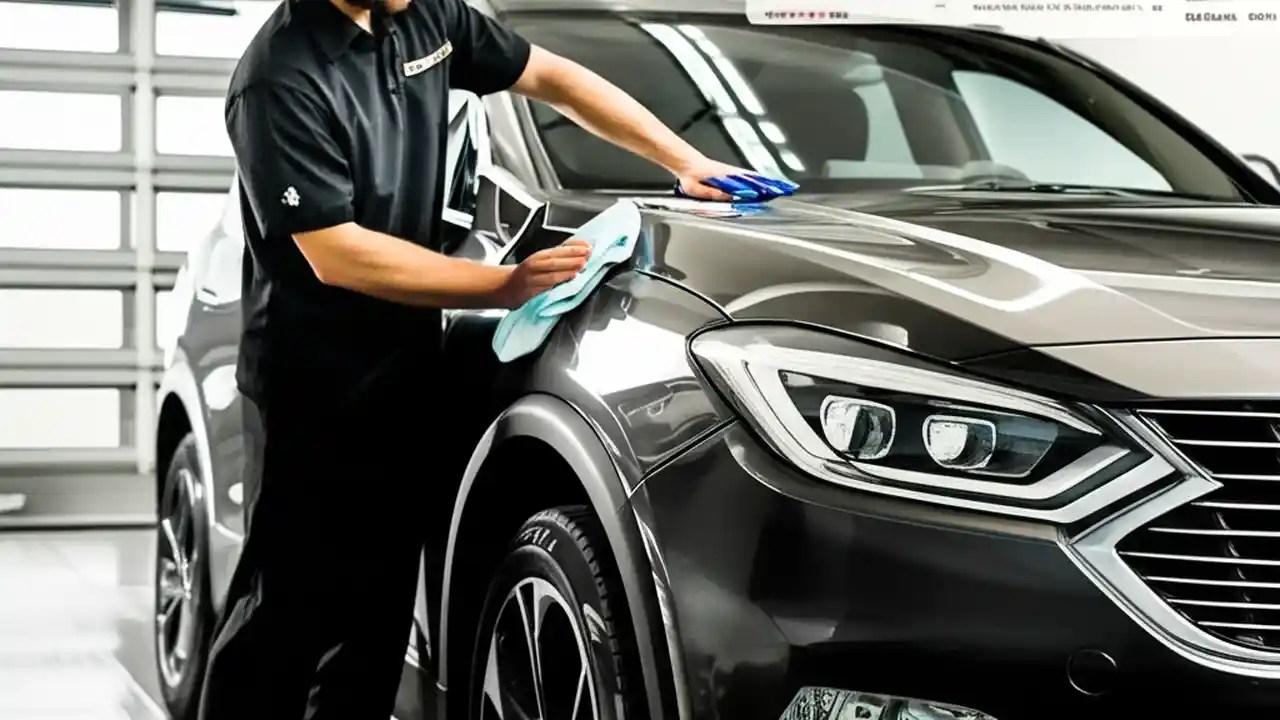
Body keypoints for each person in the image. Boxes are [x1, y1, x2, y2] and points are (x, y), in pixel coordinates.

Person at [200, 0, 794, 718]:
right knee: (287, 617)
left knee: (377, 622)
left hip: (405, 370)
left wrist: (686, 160)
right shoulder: (276, 79)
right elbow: (336, 252)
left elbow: (555, 78)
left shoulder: (424, 17)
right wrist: (504, 285)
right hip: (313, 389)